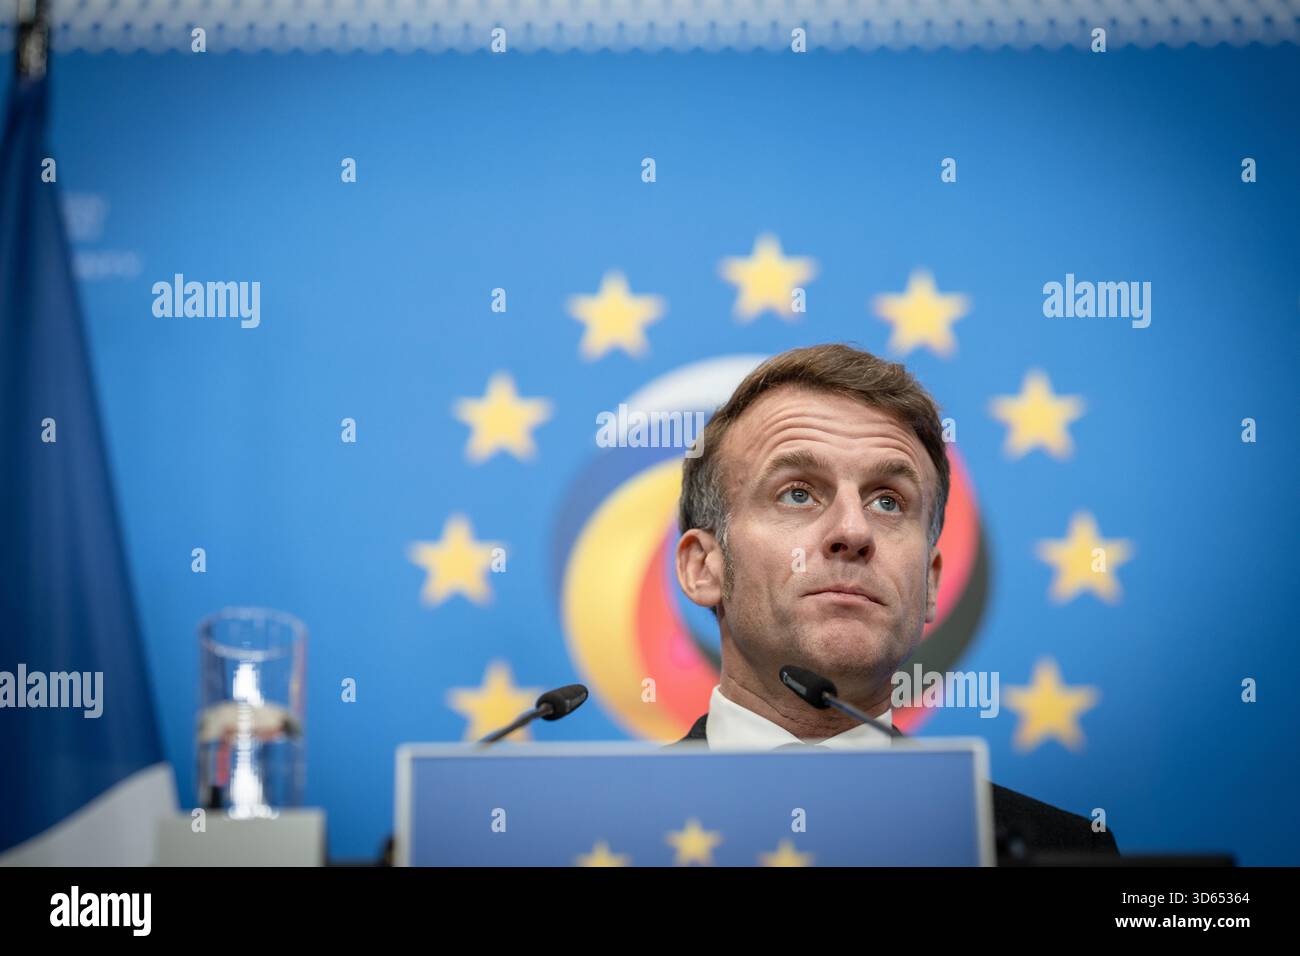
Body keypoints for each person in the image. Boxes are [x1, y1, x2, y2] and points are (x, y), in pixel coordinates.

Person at [667, 343, 1118, 863]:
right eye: (797, 493)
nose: (854, 531)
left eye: (888, 501)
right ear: (704, 567)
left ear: (929, 584)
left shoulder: (1058, 852)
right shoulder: (584, 827)